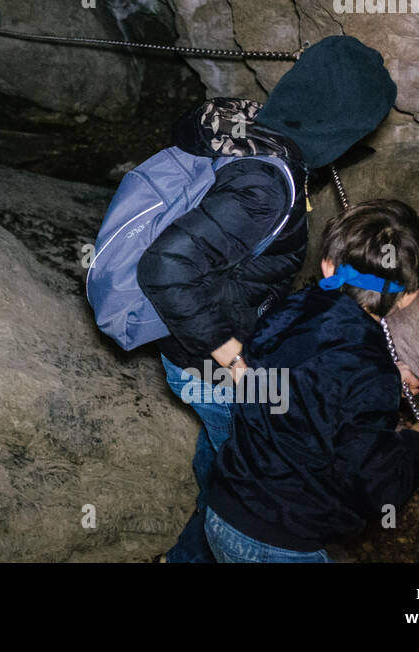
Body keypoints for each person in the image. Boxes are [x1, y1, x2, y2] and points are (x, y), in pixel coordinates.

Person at [139, 35, 400, 562]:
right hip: (207, 357)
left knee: (227, 450)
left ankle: (190, 552)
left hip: (205, 338)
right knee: (241, 464)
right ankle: (216, 545)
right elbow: (165, 266)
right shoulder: (268, 187)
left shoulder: (250, 134)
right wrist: (232, 360)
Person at [204, 199, 419, 562]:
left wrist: (385, 378)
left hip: (224, 507)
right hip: (280, 542)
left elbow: (309, 374)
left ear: (329, 265)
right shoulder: (369, 371)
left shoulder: (289, 309)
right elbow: (377, 486)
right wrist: (418, 439)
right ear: (409, 296)